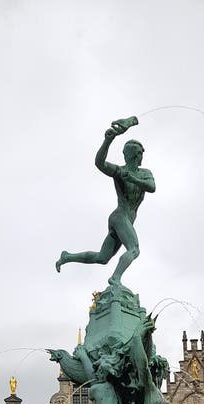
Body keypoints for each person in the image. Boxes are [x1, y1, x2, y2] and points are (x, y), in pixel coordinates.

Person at [55, 116, 155, 287]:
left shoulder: (144, 173)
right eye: (139, 154)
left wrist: (132, 178)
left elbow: (151, 187)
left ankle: (67, 257)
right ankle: (115, 278)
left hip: (125, 219)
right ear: (134, 155)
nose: (141, 157)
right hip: (119, 217)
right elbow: (99, 163)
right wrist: (108, 141)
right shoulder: (119, 171)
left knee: (102, 258)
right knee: (134, 249)